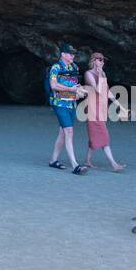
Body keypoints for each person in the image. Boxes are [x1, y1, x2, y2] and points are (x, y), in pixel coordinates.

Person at [47, 43, 88, 174]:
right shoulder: (56, 68)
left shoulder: (74, 67)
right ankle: (75, 165)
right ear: (63, 54)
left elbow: (76, 84)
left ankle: (53, 160)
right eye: (70, 54)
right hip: (60, 103)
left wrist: (82, 90)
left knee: (62, 133)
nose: (73, 56)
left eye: (73, 54)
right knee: (69, 132)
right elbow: (53, 85)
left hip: (72, 104)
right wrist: (71, 89)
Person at [82, 52, 127, 171]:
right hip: (92, 109)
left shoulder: (103, 74)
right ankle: (114, 164)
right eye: (100, 59)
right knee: (104, 135)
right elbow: (97, 89)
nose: (102, 62)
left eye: (103, 60)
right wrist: (101, 74)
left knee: (95, 134)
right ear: (94, 60)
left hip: (102, 108)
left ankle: (87, 160)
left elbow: (107, 92)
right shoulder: (88, 74)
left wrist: (120, 106)